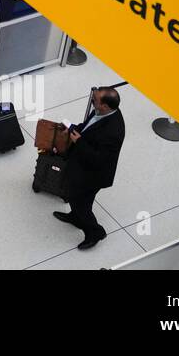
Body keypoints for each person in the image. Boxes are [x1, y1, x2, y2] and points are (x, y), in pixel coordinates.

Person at [53, 86, 125, 250]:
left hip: (92, 175)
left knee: (82, 204)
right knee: (74, 196)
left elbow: (99, 159)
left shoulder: (114, 131)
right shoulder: (100, 111)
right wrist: (73, 129)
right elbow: (88, 128)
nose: (92, 102)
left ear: (105, 106)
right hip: (81, 165)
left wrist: (79, 141)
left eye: (95, 101)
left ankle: (95, 232)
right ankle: (75, 217)